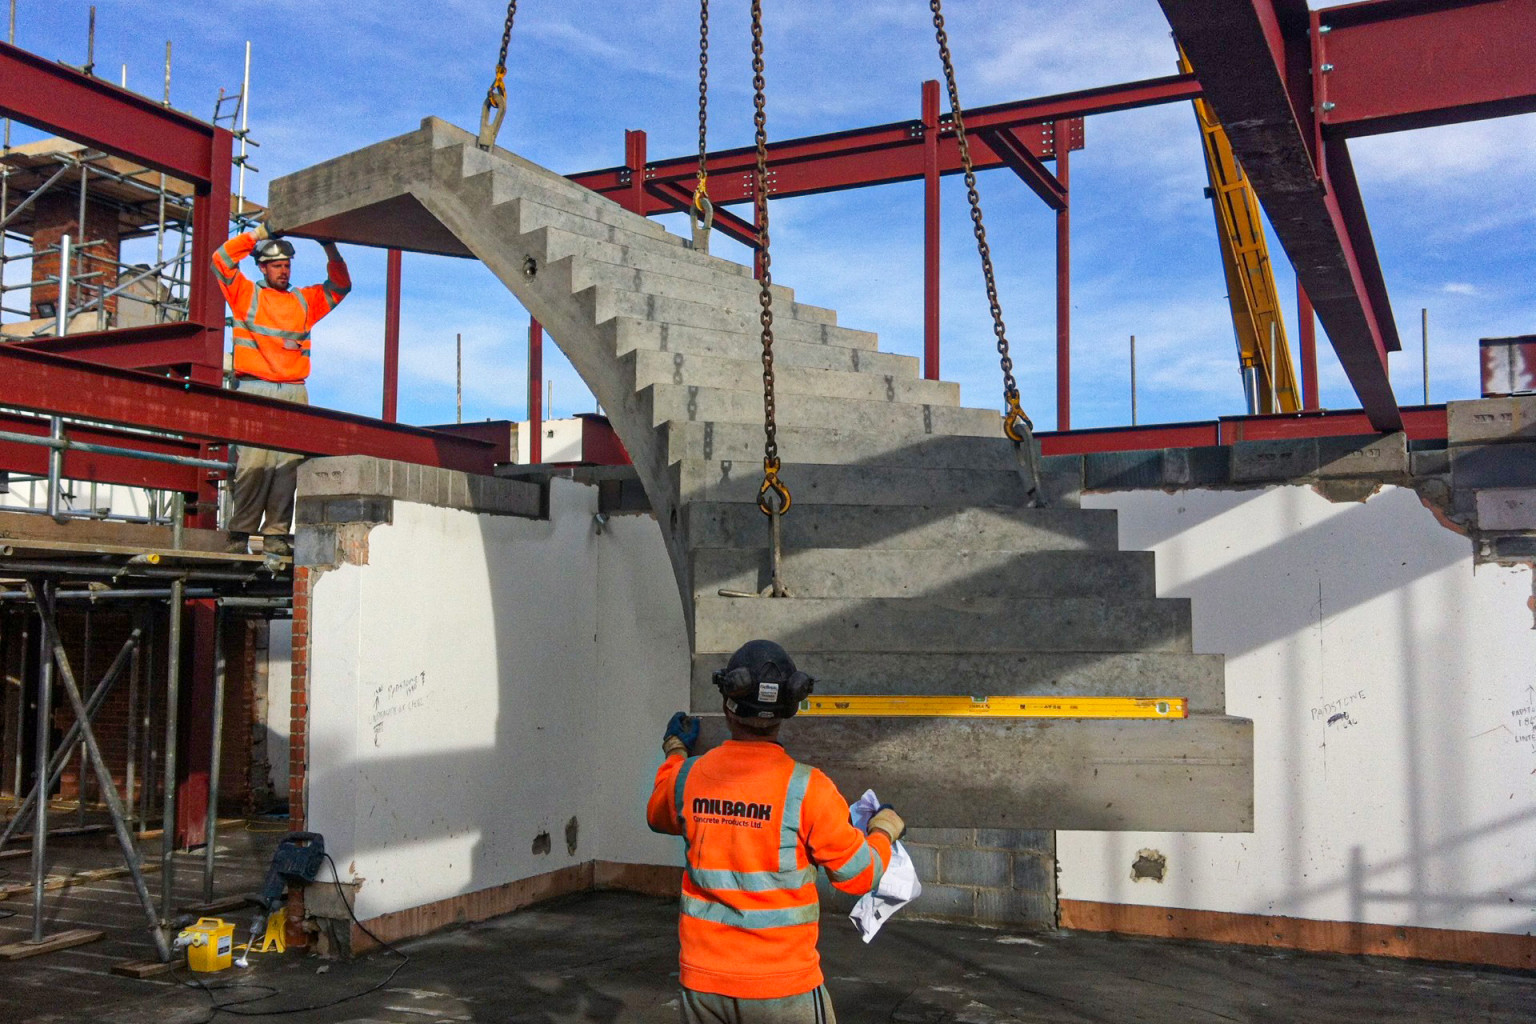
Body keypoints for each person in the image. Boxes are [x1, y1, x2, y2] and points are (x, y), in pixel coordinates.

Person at [647, 639, 906, 1024]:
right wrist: (884, 829)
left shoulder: (688, 779)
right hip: (782, 988)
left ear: (726, 704)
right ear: (791, 708)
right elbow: (859, 874)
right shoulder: (808, 789)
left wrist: (675, 751)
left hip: (704, 984)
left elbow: (658, 814)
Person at [211, 223, 350, 556]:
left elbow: (341, 285)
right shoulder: (245, 294)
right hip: (254, 388)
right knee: (252, 465)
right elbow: (221, 259)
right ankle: (241, 533)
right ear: (262, 266)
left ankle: (275, 533)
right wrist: (260, 233)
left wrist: (329, 246)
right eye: (276, 265)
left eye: (287, 265)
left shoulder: (304, 300)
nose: (283, 271)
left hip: (292, 390)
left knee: (286, 467)